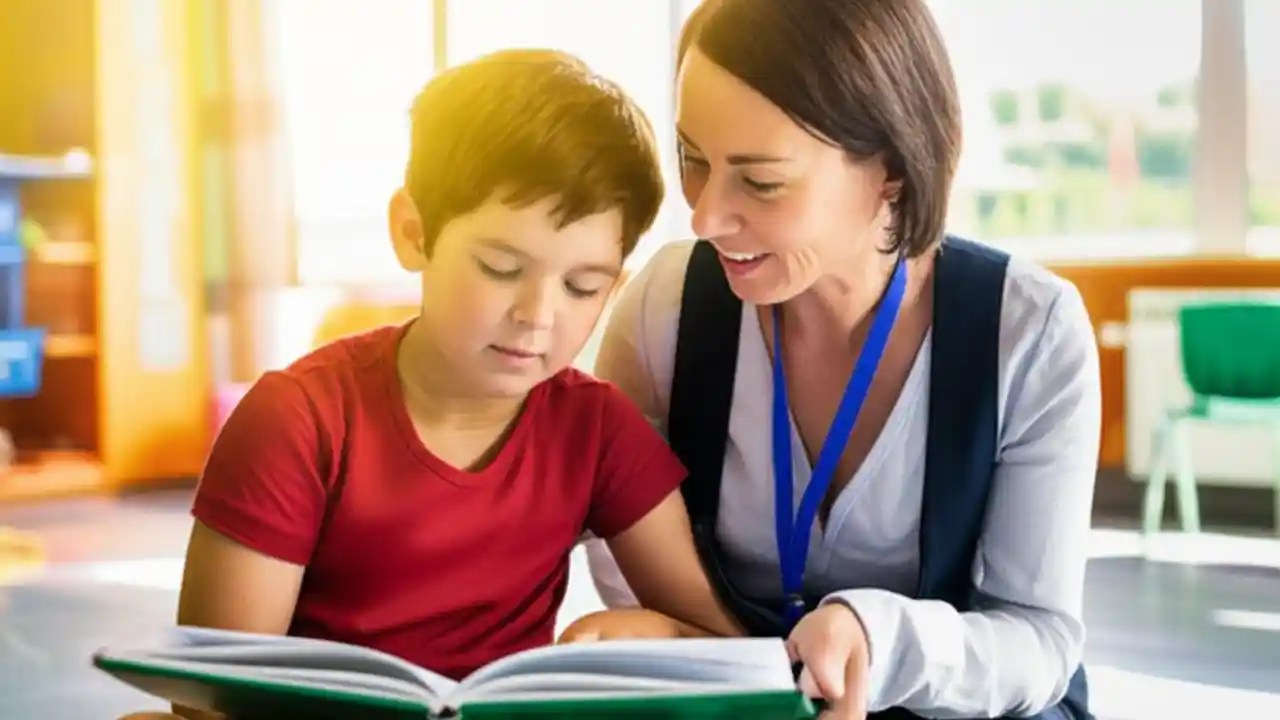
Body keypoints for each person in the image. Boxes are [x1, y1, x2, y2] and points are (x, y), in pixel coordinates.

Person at [121, 49, 739, 720]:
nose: (538, 315)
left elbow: (727, 647)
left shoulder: (596, 430)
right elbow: (216, 696)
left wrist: (660, 631)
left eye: (581, 286)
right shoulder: (298, 420)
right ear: (414, 233)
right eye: (501, 267)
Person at [572, 1, 1102, 719]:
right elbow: (630, 568)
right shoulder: (662, 309)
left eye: (759, 182)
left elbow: (1038, 640)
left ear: (890, 169)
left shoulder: (1030, 332)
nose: (705, 218)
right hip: (739, 699)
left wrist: (877, 640)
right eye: (694, 160)